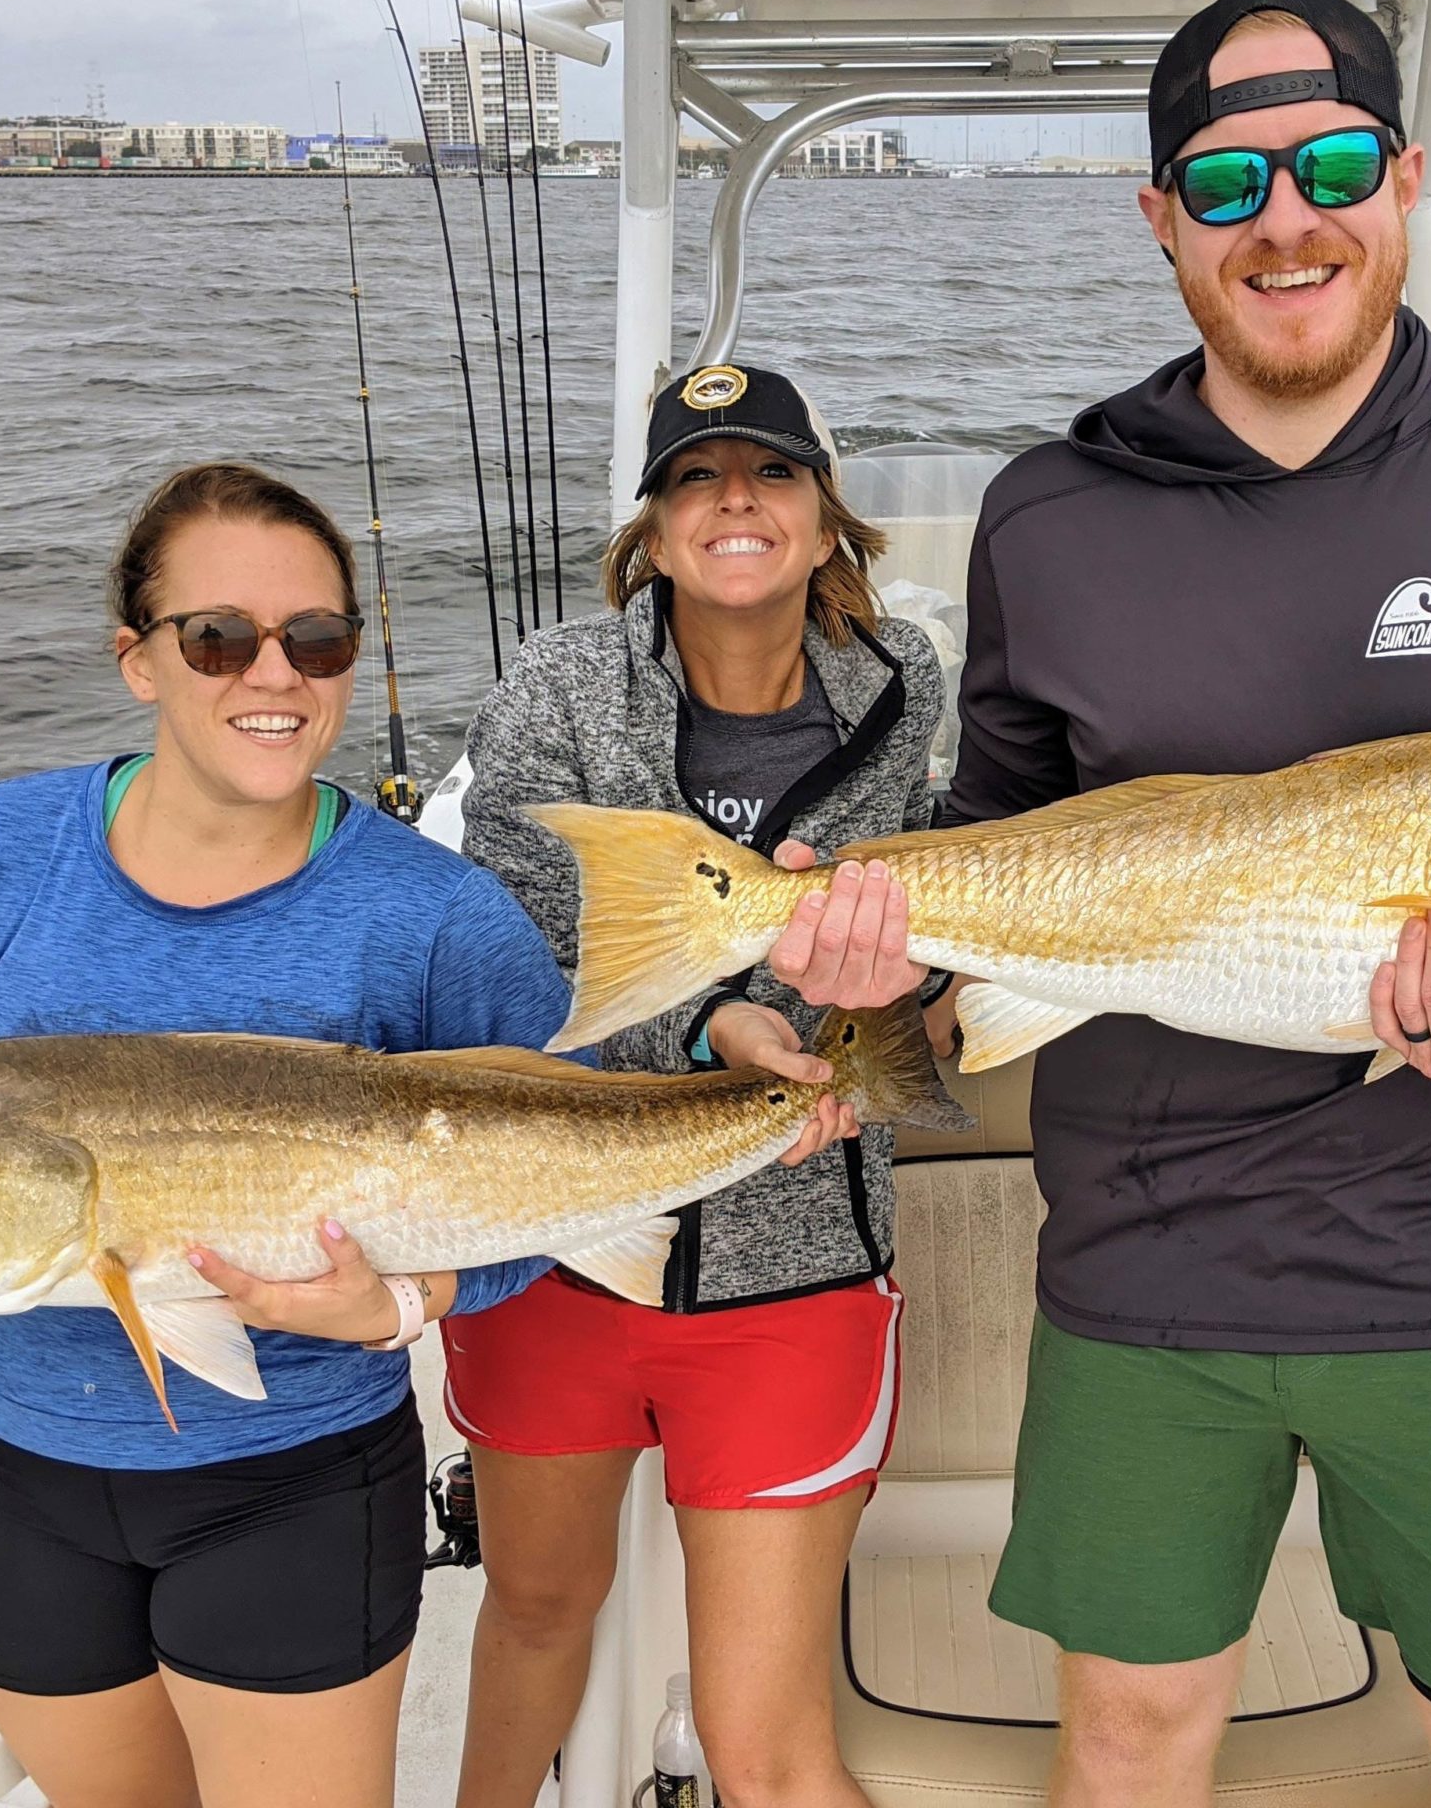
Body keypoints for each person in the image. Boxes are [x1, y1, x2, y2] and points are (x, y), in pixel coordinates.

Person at [756, 0, 1431, 1808]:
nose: (1286, 222)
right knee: (1134, 1749)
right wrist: (862, 968)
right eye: (1228, 187)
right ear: (1162, 220)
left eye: (1327, 168)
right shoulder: (1048, 514)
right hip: (1143, 1272)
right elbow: (1003, 837)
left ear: (1400, 178)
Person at [0, 462, 582, 1808]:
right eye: (219, 637)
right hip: (20, 1481)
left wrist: (399, 1305)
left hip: (290, 1484)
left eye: (319, 637)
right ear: (138, 660)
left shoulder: (436, 919)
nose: (273, 674)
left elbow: (580, 1179)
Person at [445, 362, 943, 1808]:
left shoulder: (905, 689)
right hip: (560, 1248)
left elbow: (927, 968)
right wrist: (715, 1023)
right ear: (653, 533)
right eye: (695, 477)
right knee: (536, 1609)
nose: (736, 497)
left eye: (772, 471)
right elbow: (514, 950)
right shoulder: (555, 686)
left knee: (766, 1746)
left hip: (797, 1266)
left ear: (824, 518)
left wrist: (881, 1030)